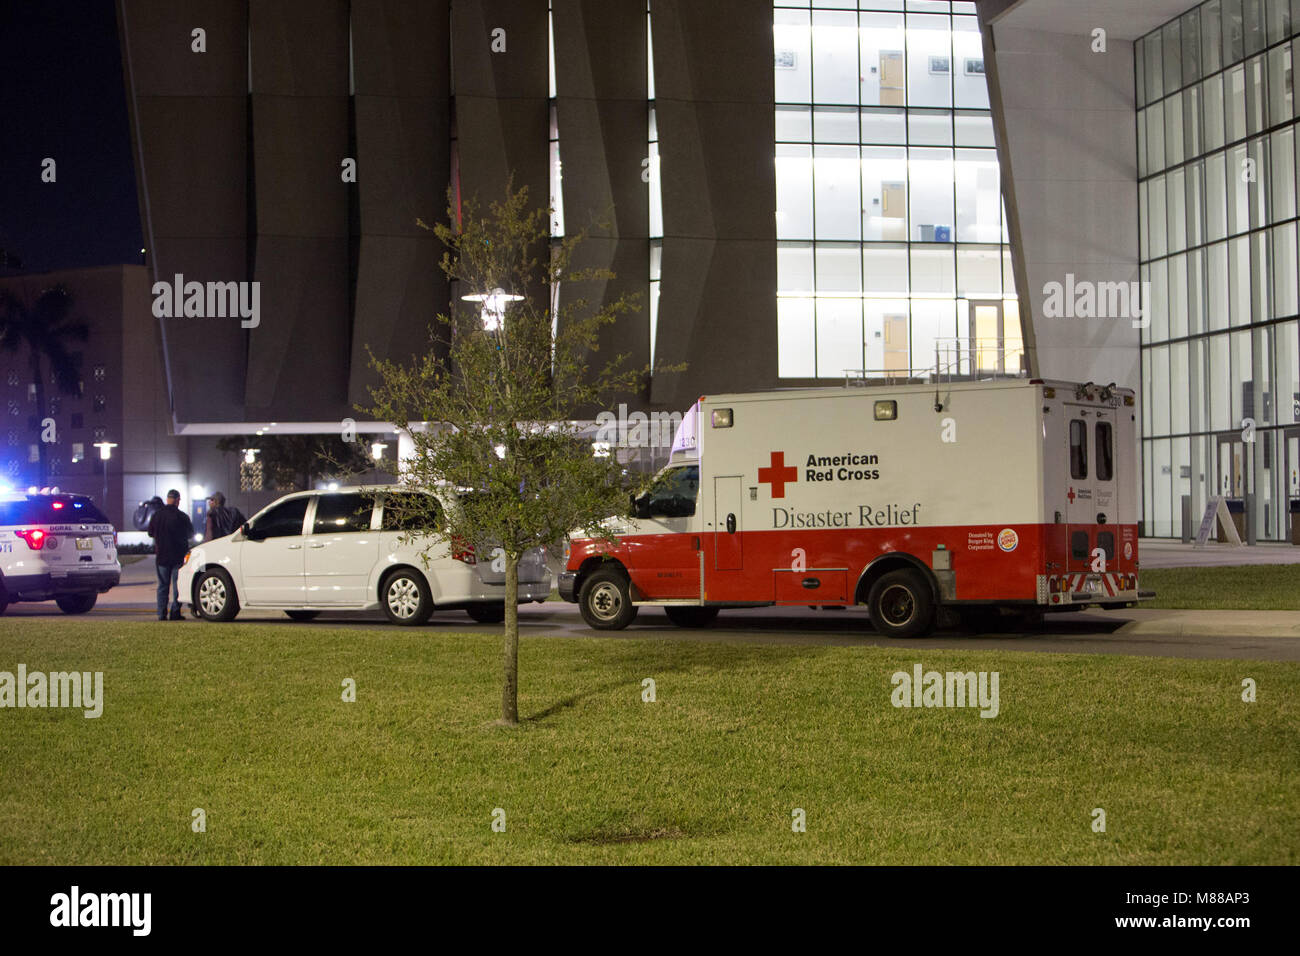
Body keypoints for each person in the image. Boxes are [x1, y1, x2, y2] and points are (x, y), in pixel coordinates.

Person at [147, 489, 193, 621]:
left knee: (162, 586)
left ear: (167, 499)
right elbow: (190, 534)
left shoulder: (157, 516)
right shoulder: (182, 517)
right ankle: (175, 612)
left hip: (162, 556)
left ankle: (161, 614)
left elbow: (150, 532)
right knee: (178, 586)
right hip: (178, 556)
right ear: (178, 500)